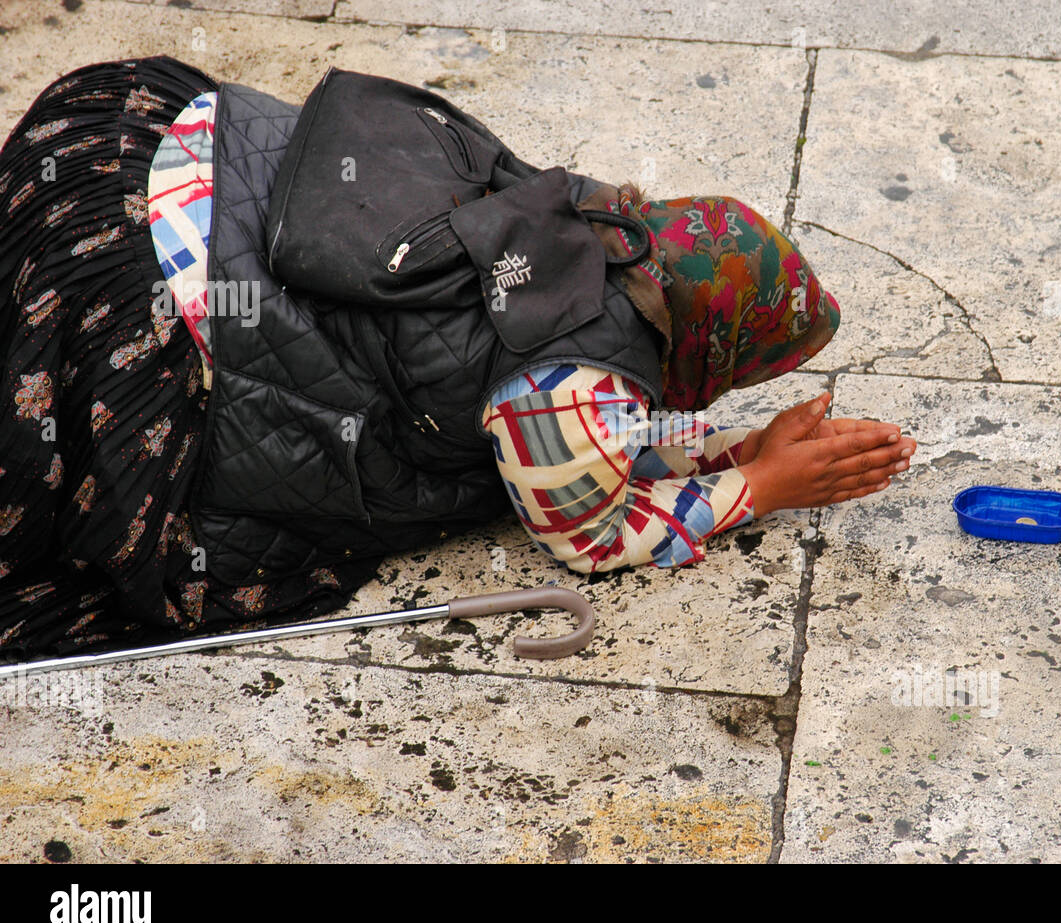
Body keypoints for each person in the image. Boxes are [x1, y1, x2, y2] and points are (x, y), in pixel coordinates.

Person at [0, 56, 916, 660]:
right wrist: (760, 489)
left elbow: (589, 446)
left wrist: (728, 451)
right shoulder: (575, 374)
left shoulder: (586, 223)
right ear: (714, 348)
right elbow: (586, 530)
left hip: (146, 150)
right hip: (123, 303)